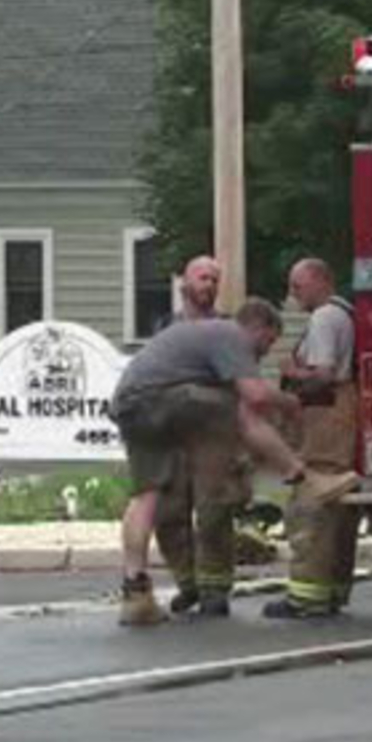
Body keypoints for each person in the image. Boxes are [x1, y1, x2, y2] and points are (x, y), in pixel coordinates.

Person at [112, 299, 307, 627]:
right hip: (162, 400)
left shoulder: (199, 340)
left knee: (147, 495)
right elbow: (256, 397)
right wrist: (291, 406)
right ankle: (291, 471)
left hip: (131, 405)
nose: (264, 353)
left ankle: (136, 592)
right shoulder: (230, 334)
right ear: (256, 327)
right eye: (268, 343)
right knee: (234, 408)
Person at [265, 260, 363, 620]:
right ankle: (333, 590)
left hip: (324, 424)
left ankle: (306, 596)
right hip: (341, 423)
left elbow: (323, 376)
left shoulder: (324, 318)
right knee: (338, 508)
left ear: (322, 280)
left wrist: (292, 375)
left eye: (298, 286)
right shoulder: (345, 314)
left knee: (311, 505)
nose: (293, 295)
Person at [151, 256, 233, 616]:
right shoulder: (165, 327)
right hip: (172, 433)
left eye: (215, 280)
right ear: (185, 284)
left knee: (214, 513)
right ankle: (188, 584)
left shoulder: (227, 330)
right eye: (203, 278)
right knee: (168, 514)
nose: (210, 285)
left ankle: (215, 589)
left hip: (214, 433)